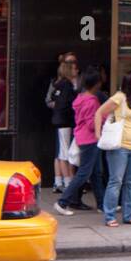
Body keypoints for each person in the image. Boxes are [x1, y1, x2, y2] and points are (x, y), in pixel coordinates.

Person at [95, 71, 131, 227]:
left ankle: (129, 215)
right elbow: (99, 112)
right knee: (116, 180)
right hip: (120, 145)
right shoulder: (119, 97)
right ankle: (110, 216)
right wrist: (98, 134)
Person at [55, 68, 107, 215]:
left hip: (82, 137)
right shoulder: (93, 102)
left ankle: (102, 205)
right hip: (91, 139)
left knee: (96, 172)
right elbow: (92, 124)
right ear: (96, 84)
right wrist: (104, 116)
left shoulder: (80, 98)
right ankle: (62, 202)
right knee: (84, 173)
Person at [48, 55, 78, 192]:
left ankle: (61, 181)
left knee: (62, 152)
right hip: (65, 122)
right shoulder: (67, 86)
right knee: (64, 154)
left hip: (60, 121)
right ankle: (67, 182)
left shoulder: (59, 84)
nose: (77, 70)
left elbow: (54, 100)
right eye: (74, 67)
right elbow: (67, 104)